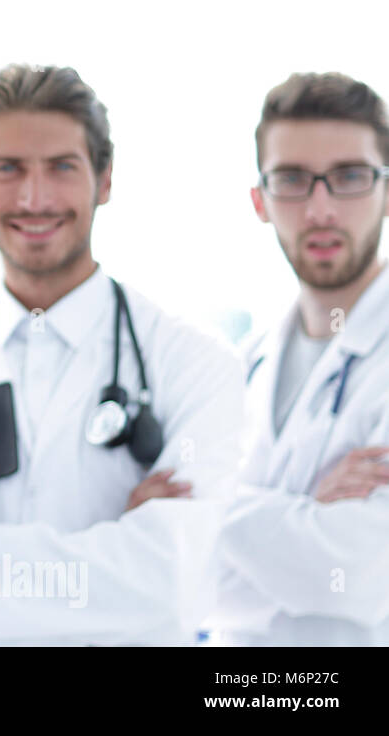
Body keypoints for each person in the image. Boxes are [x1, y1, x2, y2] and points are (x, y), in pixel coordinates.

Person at [0, 64, 246, 644]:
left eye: (62, 167)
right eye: (8, 168)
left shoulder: (194, 363)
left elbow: (168, 588)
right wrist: (113, 553)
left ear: (105, 178)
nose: (34, 197)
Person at [210, 72, 389, 645]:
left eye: (350, 177)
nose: (320, 208)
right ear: (260, 201)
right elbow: (180, 575)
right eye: (292, 180)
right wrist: (302, 516)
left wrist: (217, 510)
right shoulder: (242, 366)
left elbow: (361, 576)